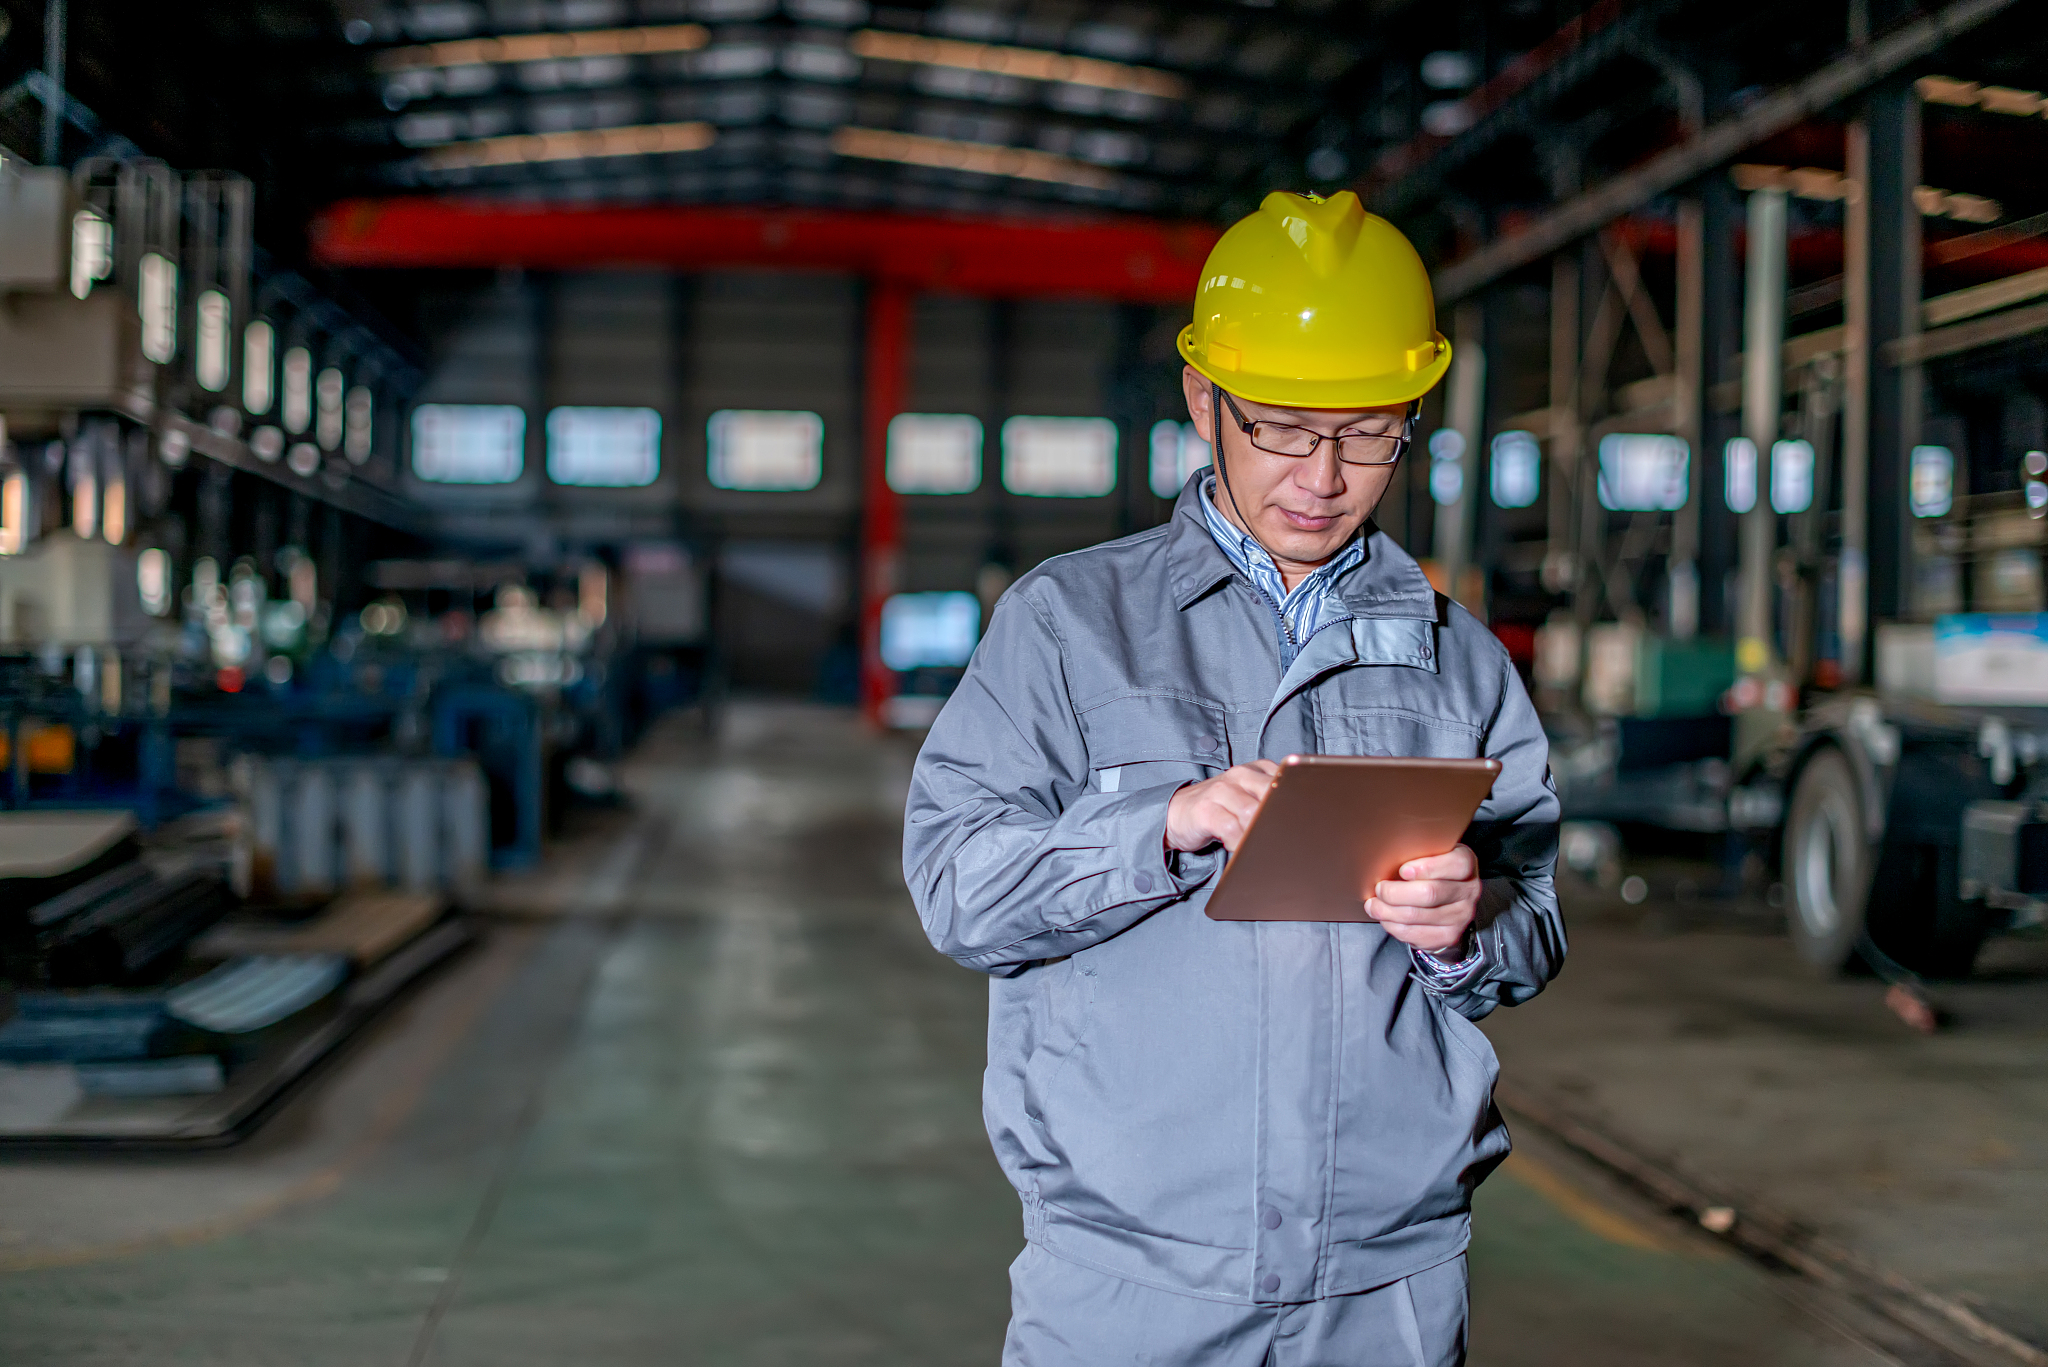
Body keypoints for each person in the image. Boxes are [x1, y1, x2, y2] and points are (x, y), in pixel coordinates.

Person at [903, 190, 1564, 1366]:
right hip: (1126, 1275)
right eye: (1279, 428)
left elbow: (1532, 927)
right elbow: (957, 887)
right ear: (1202, 402)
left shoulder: (1455, 654)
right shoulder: (1068, 624)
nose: (1322, 475)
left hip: (1385, 1279)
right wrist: (1157, 825)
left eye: (1368, 433)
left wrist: (1468, 924)